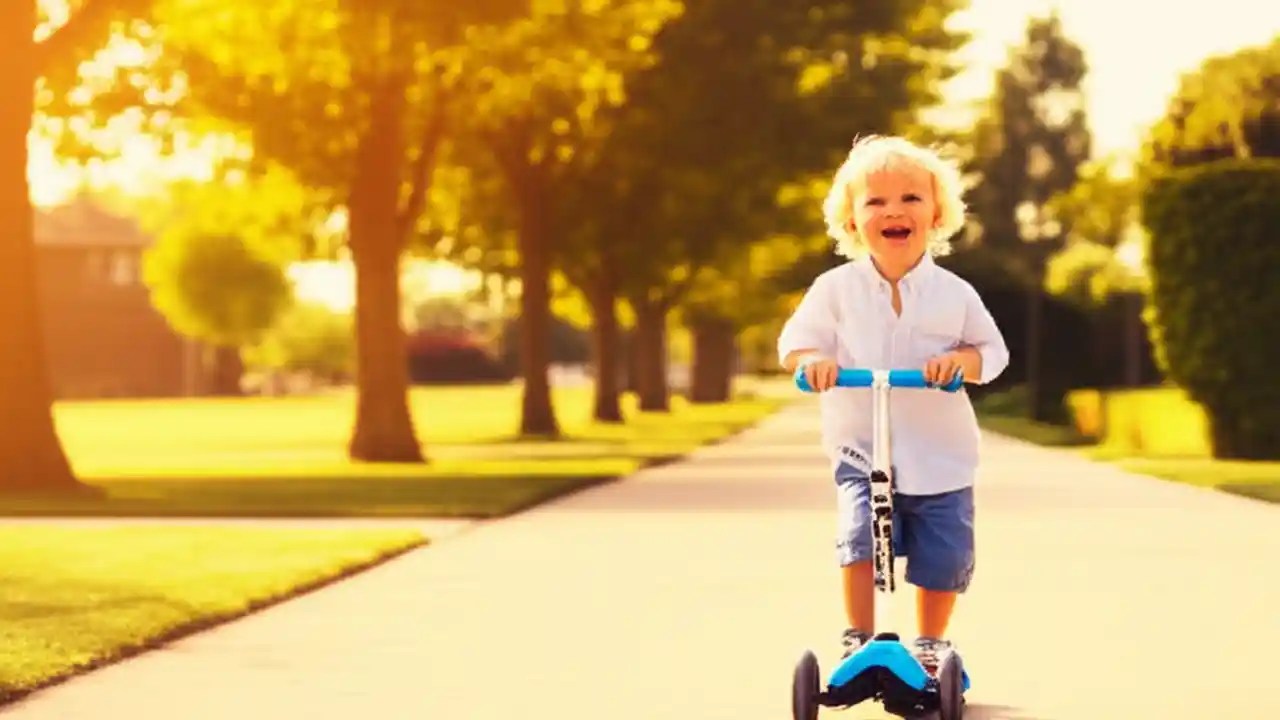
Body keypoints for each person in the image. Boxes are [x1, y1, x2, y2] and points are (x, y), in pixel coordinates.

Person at [777, 134, 1009, 673]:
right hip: (862, 448)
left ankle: (930, 643)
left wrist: (962, 364)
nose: (894, 211)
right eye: (875, 201)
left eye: (910, 198)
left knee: (943, 554)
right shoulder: (835, 289)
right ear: (853, 222)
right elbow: (795, 342)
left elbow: (991, 351)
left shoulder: (956, 293)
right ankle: (859, 636)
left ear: (936, 215)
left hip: (941, 454)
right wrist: (814, 361)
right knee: (859, 538)